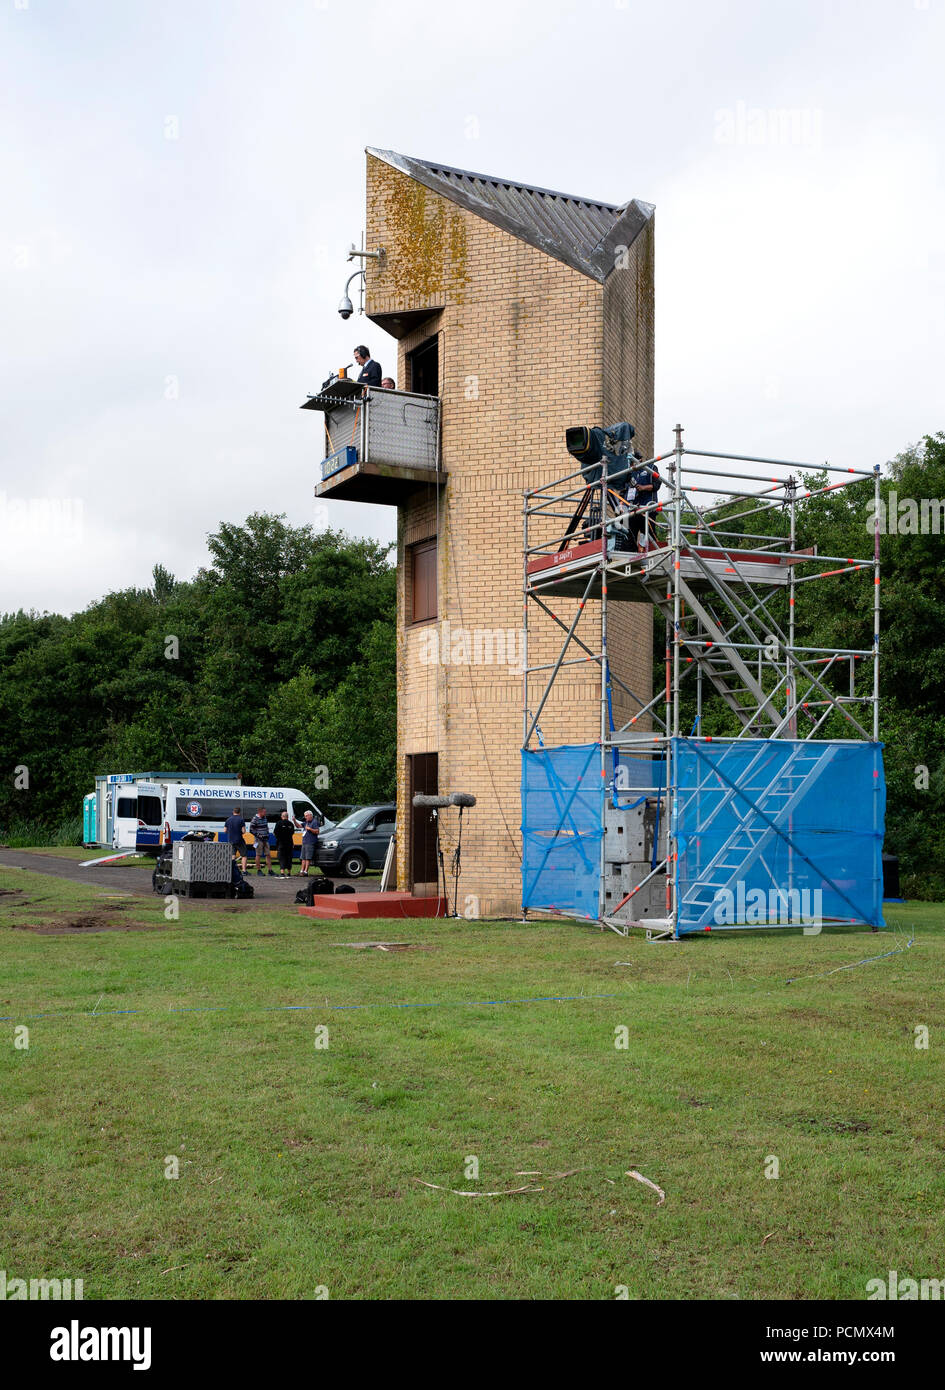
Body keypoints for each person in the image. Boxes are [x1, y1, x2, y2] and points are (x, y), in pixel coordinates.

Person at [248, 804, 274, 876]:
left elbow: (266, 827)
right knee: (258, 855)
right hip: (258, 840)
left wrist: (267, 833)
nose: (265, 813)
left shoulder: (264, 817)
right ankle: (259, 870)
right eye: (264, 812)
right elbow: (251, 830)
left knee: (268, 854)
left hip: (265, 839)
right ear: (260, 812)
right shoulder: (255, 819)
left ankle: (270, 870)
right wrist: (259, 835)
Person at [224, 805, 248, 874]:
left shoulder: (228, 819)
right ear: (239, 812)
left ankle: (231, 871)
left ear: (233, 812)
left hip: (230, 840)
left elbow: (225, 831)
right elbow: (244, 831)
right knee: (244, 855)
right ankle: (244, 871)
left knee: (233, 855)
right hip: (239, 840)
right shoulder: (241, 819)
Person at [273, 810, 297, 878]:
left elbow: (275, 833)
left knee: (282, 857)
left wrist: (279, 837)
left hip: (281, 843)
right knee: (289, 857)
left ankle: (282, 873)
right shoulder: (291, 824)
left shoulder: (278, 823)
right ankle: (289, 873)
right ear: (287, 817)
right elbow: (292, 833)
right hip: (289, 843)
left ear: (282, 817)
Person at [299, 809, 319, 877]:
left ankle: (306, 871)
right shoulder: (306, 822)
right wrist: (294, 820)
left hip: (310, 842)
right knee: (303, 857)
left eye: (306, 816)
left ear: (310, 815)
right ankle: (301, 870)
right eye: (305, 816)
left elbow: (317, 831)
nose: (305, 817)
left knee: (308, 858)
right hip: (304, 842)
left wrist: (310, 829)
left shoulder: (314, 822)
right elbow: (298, 826)